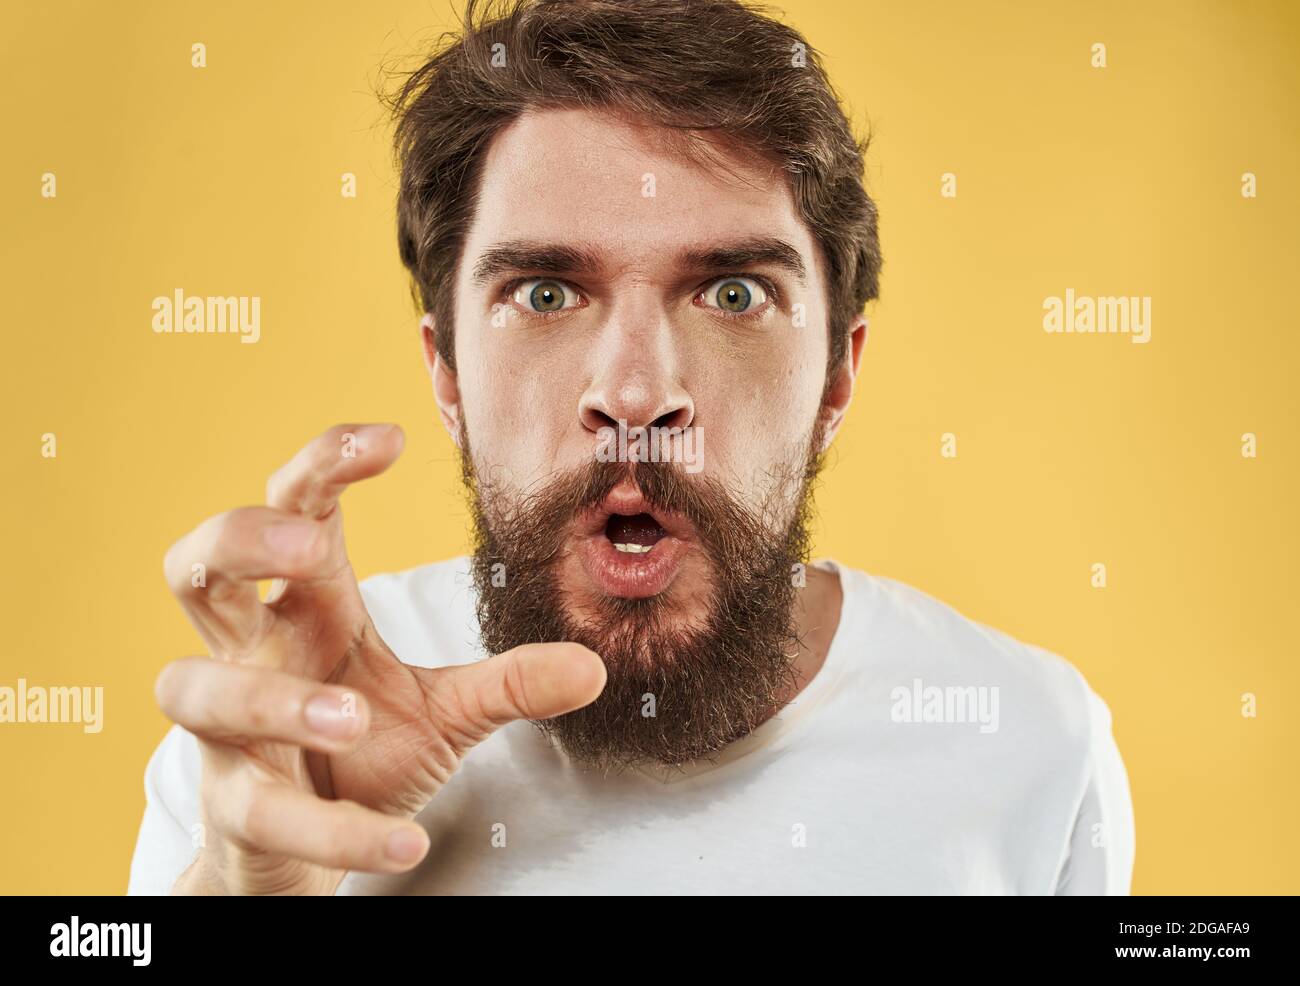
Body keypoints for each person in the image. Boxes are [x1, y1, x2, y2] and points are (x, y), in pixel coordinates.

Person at [128, 0, 1135, 895]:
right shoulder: (281, 728)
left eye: (733, 293)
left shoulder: (1028, 739)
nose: (637, 394)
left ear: (836, 376)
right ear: (448, 376)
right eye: (546, 293)